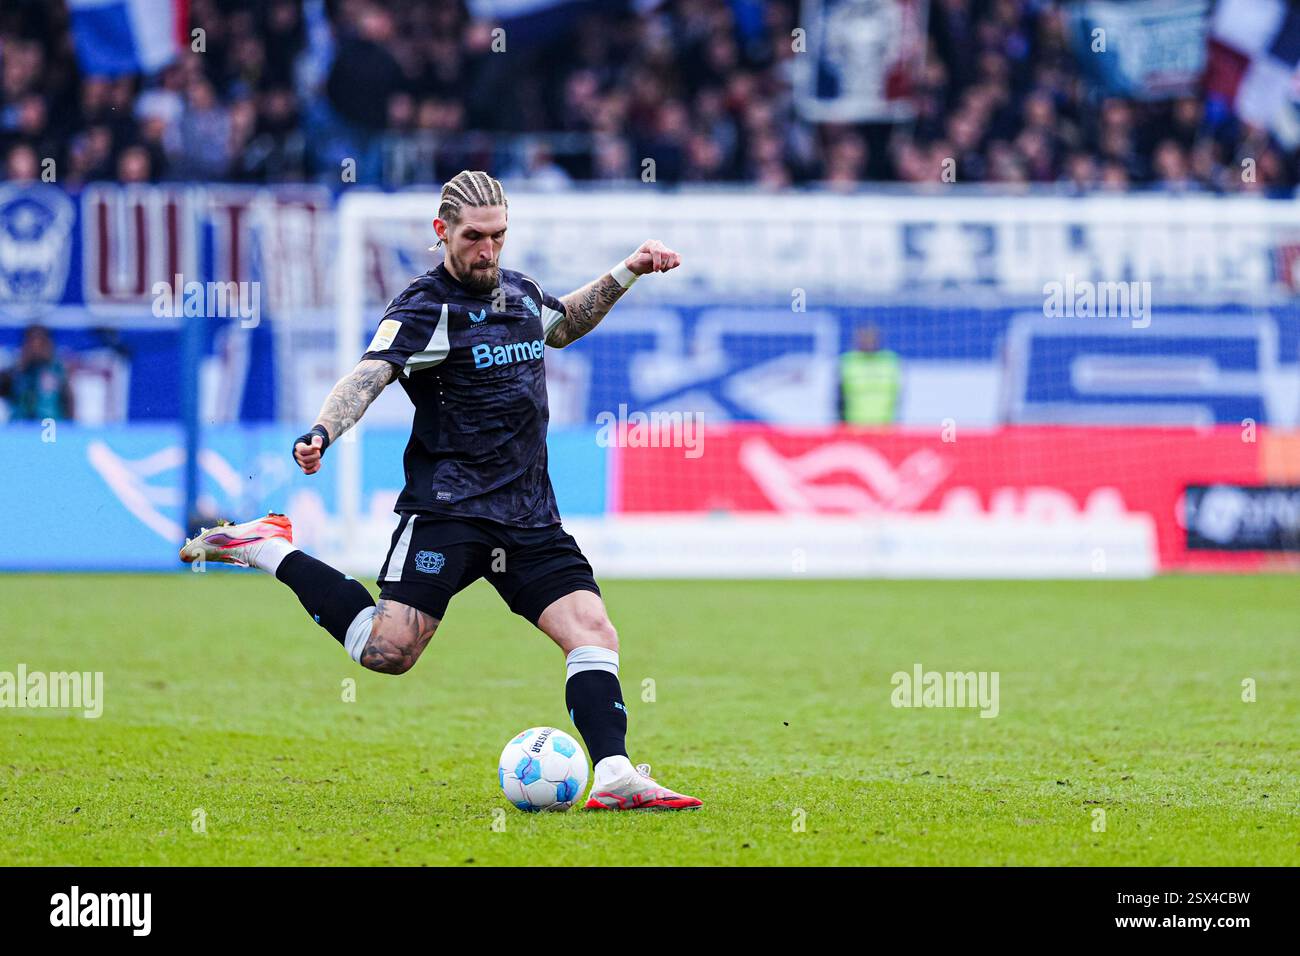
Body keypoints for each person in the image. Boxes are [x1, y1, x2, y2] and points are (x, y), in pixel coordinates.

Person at [180, 170, 701, 811]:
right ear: (442, 233)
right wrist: (323, 430)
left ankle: (616, 774)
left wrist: (628, 270)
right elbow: (368, 376)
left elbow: (564, 325)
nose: (488, 251)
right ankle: (266, 545)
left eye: (499, 236)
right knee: (388, 652)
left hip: (529, 513)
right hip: (449, 510)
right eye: (474, 237)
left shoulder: (519, 292)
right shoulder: (424, 308)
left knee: (593, 631)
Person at [0, 325, 74, 421]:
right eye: (32, 343)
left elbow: (69, 400)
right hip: (19, 426)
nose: (36, 348)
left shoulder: (59, 370)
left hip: (51, 425)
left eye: (41, 343)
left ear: (49, 345)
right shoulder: (14, 371)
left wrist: (70, 426)